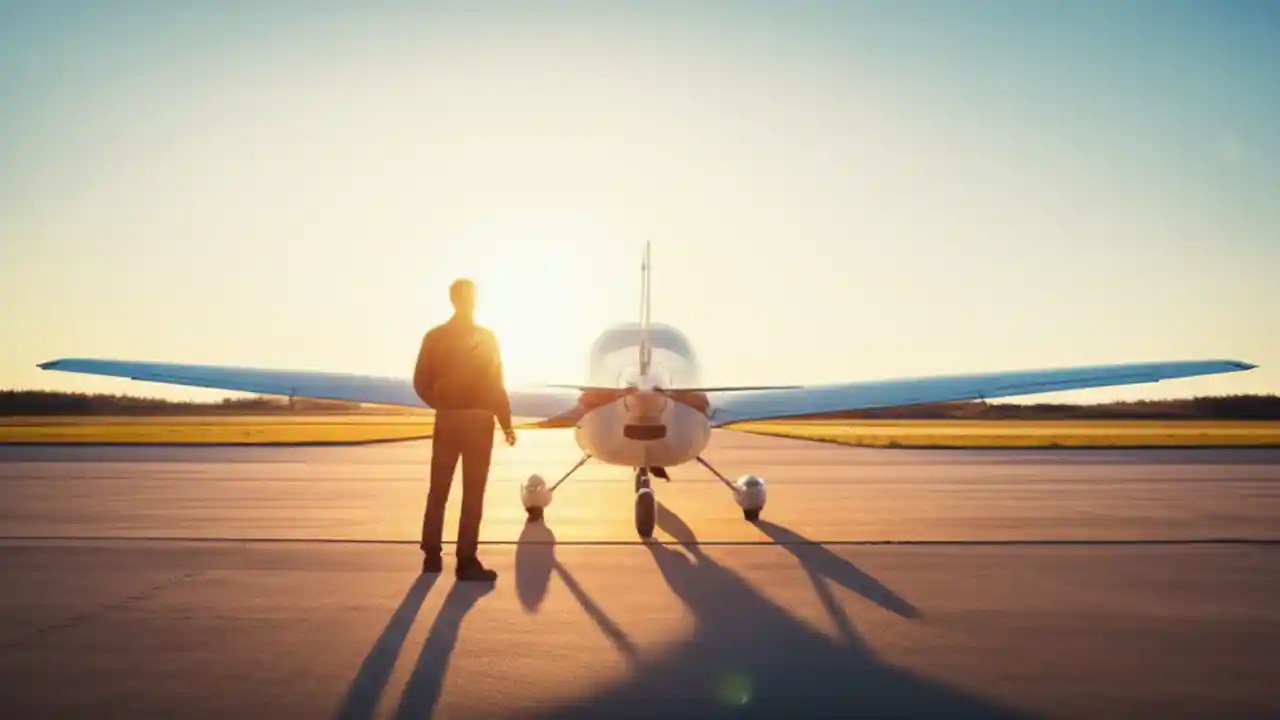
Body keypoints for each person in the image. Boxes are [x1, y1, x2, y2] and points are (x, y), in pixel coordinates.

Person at [413, 278, 517, 581]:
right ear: (474, 300)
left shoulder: (434, 337)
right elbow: (497, 384)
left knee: (439, 488)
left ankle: (431, 555)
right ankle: (465, 560)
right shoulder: (486, 338)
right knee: (473, 493)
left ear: (451, 299)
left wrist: (442, 403)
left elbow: (420, 380)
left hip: (447, 419)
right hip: (478, 422)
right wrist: (506, 423)